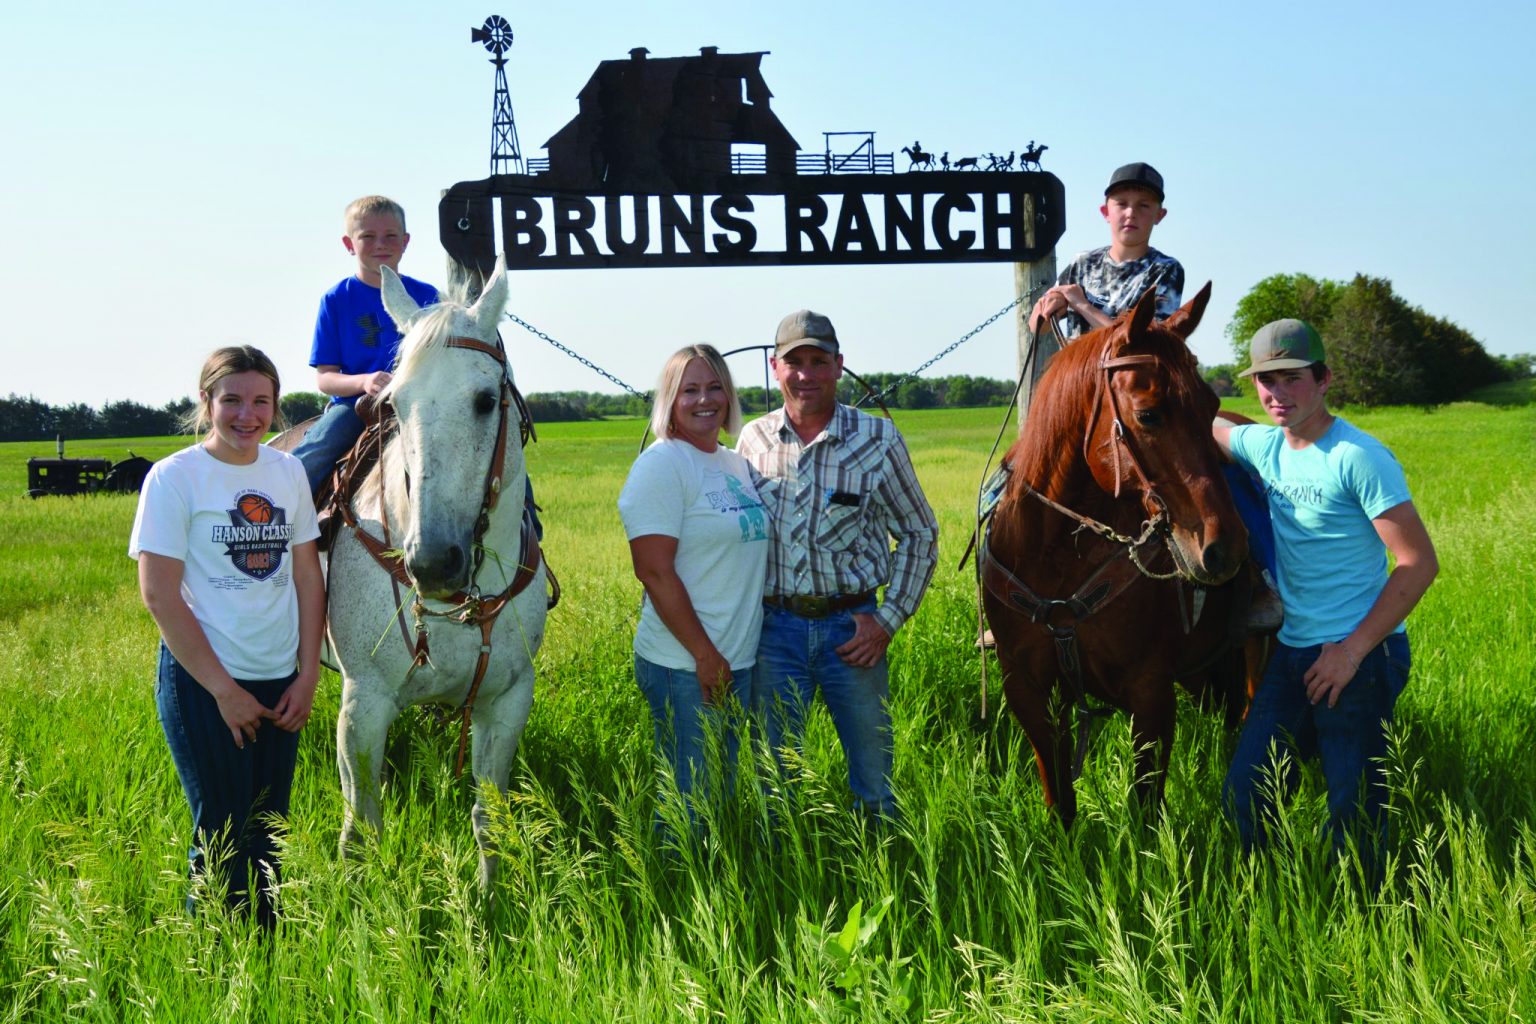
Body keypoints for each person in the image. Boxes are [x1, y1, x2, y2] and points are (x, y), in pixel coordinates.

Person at [1214, 320, 1438, 872]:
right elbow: (1196, 416)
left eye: (1291, 378)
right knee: (1246, 794)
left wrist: (1351, 652)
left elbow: (1418, 563)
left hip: (1361, 656)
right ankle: (1273, 899)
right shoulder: (1264, 446)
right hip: (1294, 652)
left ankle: (1366, 911)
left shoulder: (1358, 457)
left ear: (1324, 379)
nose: (1277, 393)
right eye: (1265, 381)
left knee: (1354, 814)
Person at [129, 346, 324, 928]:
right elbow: (160, 595)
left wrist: (308, 674)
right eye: (232, 400)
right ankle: (216, 963)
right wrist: (224, 691)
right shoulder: (174, 478)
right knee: (221, 833)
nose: (247, 415)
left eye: (261, 401)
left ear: (276, 405)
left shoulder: (287, 472)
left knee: (269, 831)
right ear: (206, 401)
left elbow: (307, 576)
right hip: (204, 682)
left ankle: (265, 955)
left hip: (280, 680)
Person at [737, 310, 939, 820]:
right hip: (773, 633)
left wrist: (888, 621)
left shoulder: (877, 439)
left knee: (874, 782)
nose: (806, 374)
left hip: (853, 633)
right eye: (794, 362)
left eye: (819, 361)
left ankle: (881, 862)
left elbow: (919, 533)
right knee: (775, 786)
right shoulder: (752, 441)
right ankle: (786, 866)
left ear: (839, 365)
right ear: (775, 367)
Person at [618, 345, 769, 819]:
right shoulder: (662, 465)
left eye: (715, 387)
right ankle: (676, 870)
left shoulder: (733, 463)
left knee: (722, 791)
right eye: (690, 390)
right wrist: (705, 656)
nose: (705, 400)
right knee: (691, 802)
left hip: (736, 658)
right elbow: (653, 571)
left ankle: (717, 869)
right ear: (670, 400)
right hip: (684, 664)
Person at [292, 195, 439, 495]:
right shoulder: (336, 299)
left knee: (490, 442)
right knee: (311, 456)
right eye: (368, 237)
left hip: (421, 403)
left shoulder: (429, 297)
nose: (380, 244)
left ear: (405, 242)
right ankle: (278, 512)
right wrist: (364, 381)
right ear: (349, 244)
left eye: (390, 236)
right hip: (357, 407)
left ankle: (524, 519)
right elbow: (325, 378)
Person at [1028, 161, 1184, 339]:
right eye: (1122, 204)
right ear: (1105, 212)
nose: (1131, 213)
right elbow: (1036, 327)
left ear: (1159, 215)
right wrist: (1054, 303)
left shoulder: (1166, 269)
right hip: (1077, 358)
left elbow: (1139, 343)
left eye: (1143, 205)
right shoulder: (1083, 263)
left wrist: (1082, 305)